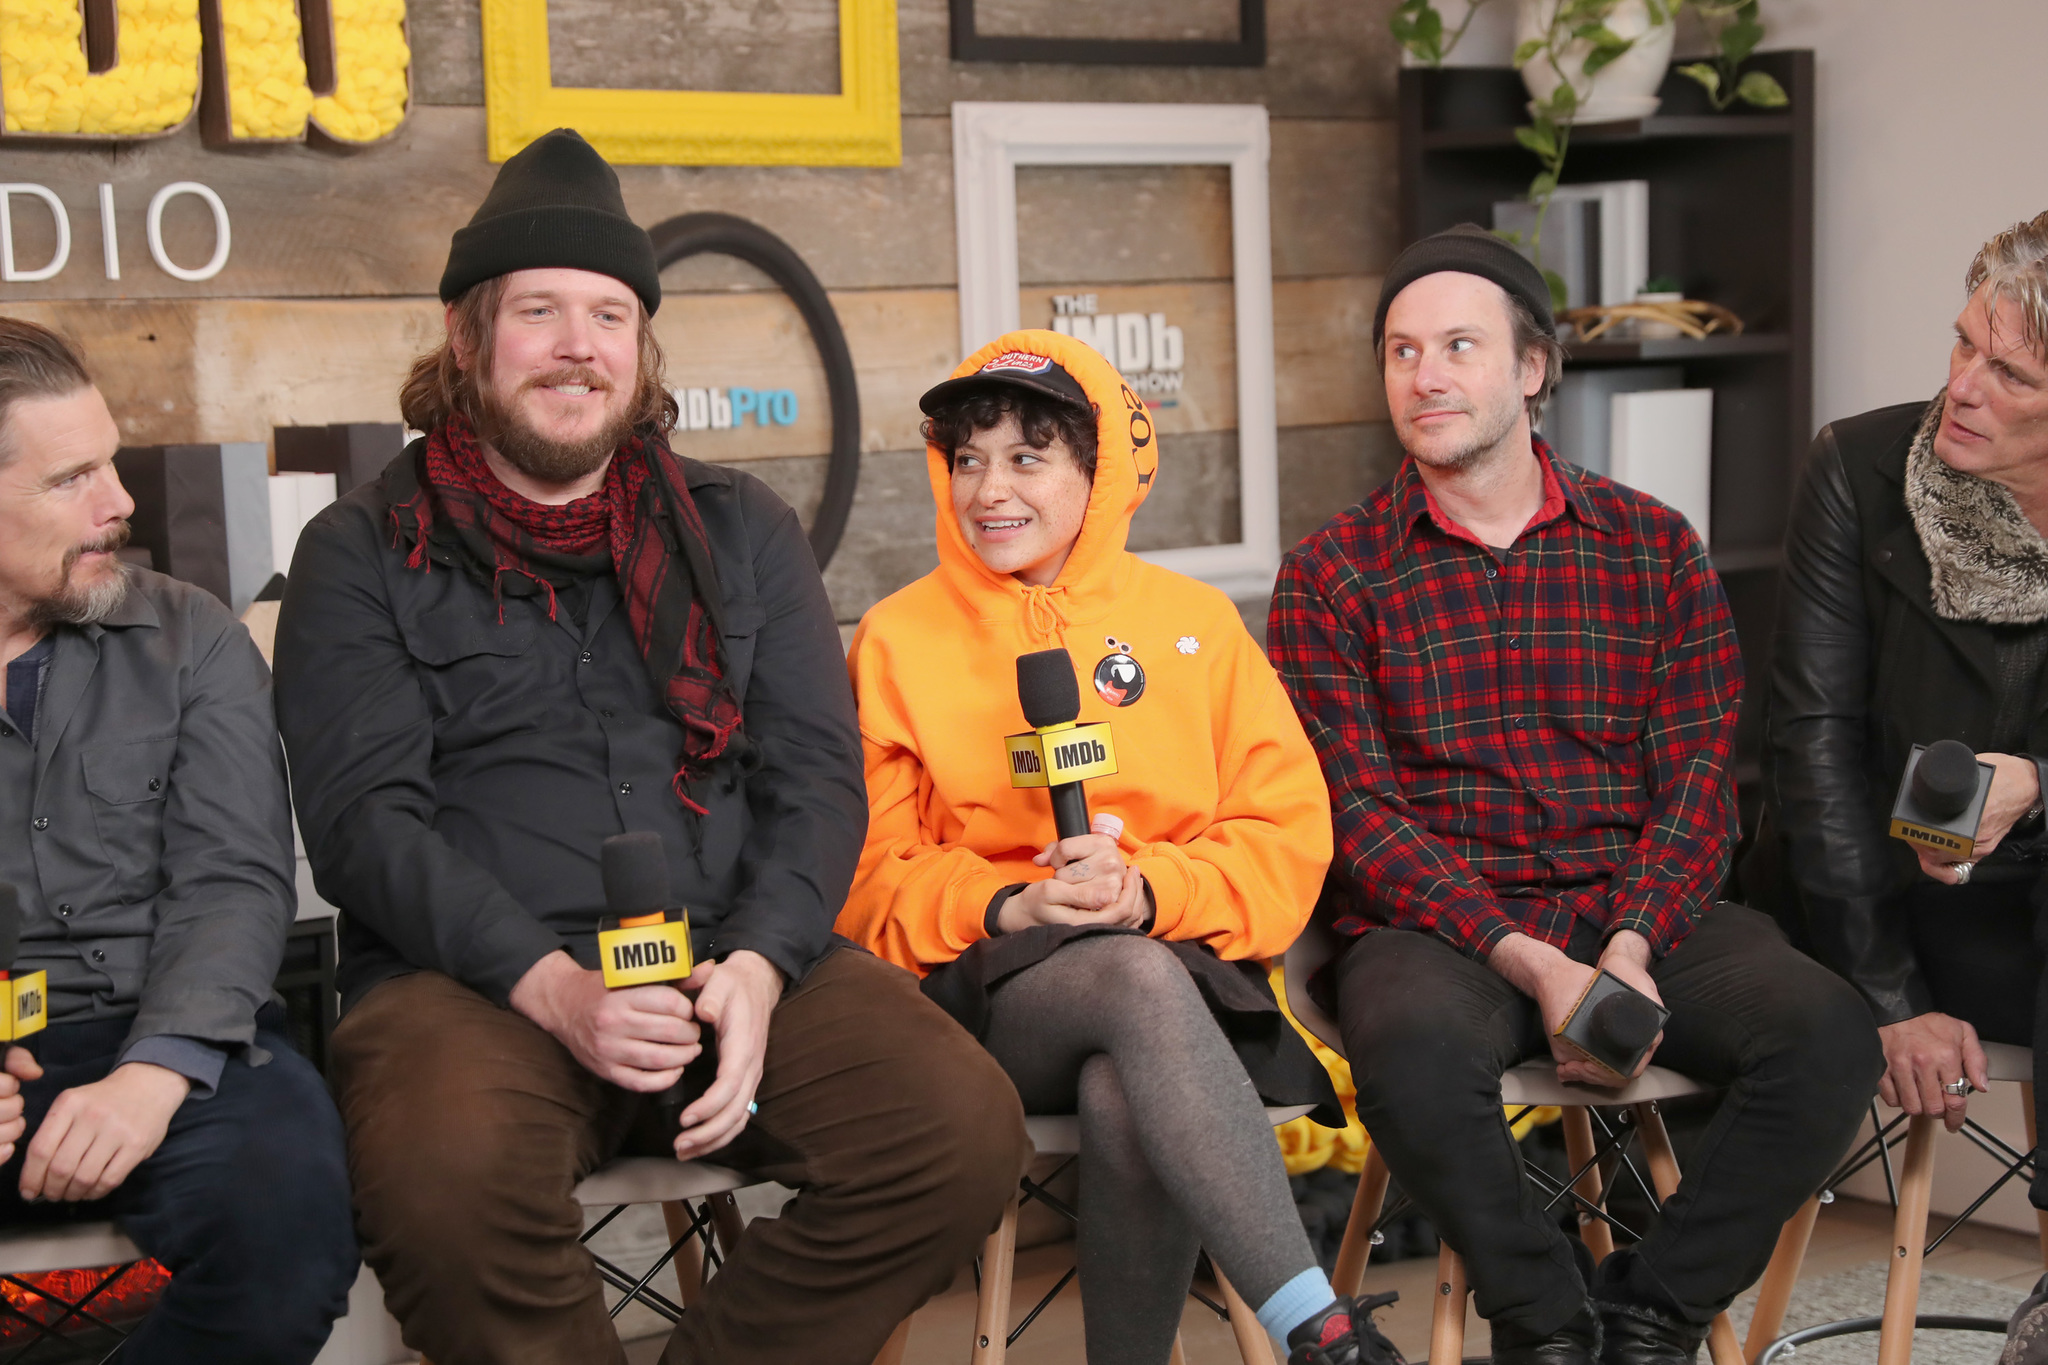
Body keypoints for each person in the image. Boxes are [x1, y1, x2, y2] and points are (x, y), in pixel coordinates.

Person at [271, 129, 1028, 1365]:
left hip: (730, 947)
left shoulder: (740, 527)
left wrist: (765, 965)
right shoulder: (362, 549)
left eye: (611, 315)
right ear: (465, 339)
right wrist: (554, 987)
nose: (580, 345)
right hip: (478, 987)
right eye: (541, 312)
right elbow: (365, 828)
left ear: (642, 346)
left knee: (954, 1130)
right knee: (442, 1181)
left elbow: (816, 784)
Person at [1267, 226, 1882, 1365]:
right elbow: (1356, 814)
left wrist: (1632, 946)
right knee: (1400, 1047)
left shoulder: (1653, 547)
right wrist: (1529, 959)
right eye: (1401, 352)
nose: (1425, 375)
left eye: (1457, 344)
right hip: (1441, 925)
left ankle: (1646, 1314)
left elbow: (1697, 785)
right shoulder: (1329, 574)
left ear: (1533, 369)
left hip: (1636, 904)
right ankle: (1544, 1325)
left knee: (1827, 1037)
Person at [837, 329, 1399, 1365]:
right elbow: (865, 879)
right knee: (1138, 989)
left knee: (1125, 1081)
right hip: (984, 1002)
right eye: (968, 459)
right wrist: (1009, 906)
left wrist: (1149, 889)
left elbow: (1285, 835)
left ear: (1096, 476)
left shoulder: (1194, 625)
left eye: (1026, 457)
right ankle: (1318, 1333)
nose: (988, 490)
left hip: (1170, 982)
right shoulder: (895, 640)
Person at [0, 317, 356, 1362]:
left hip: (167, 1040)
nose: (119, 502)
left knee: (286, 1230)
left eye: (111, 461)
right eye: (73, 479)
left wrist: (153, 1076)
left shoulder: (192, 634)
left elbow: (236, 882)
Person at [1744, 212, 2048, 1361]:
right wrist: (1886, 995)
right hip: (1874, 904)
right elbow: (1808, 748)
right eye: (1961, 343)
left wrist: (2034, 785)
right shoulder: (1859, 469)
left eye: (2007, 370)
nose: (1959, 386)